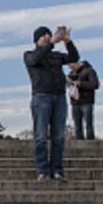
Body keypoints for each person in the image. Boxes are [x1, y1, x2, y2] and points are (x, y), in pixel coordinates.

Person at [24, 25, 79, 180]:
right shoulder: (30, 54)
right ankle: (43, 169)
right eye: (44, 36)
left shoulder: (55, 56)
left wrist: (68, 42)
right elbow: (36, 59)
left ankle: (57, 170)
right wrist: (52, 43)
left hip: (59, 97)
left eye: (49, 35)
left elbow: (73, 57)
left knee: (58, 136)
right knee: (41, 136)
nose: (48, 38)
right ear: (37, 39)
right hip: (41, 97)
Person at [67, 61, 100, 140]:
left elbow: (95, 84)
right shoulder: (71, 74)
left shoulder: (90, 71)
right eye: (70, 67)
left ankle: (90, 141)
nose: (71, 68)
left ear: (77, 63)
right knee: (77, 125)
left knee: (88, 124)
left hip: (86, 101)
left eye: (72, 66)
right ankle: (79, 141)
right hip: (75, 102)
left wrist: (81, 84)